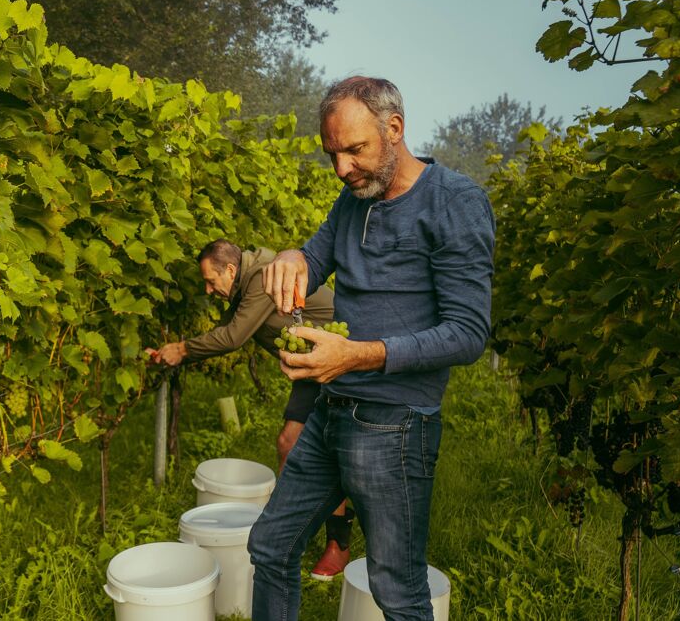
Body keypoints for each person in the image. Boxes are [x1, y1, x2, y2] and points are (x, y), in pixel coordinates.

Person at [249, 76, 495, 621]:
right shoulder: (352, 199)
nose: (342, 169)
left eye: (354, 151)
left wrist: (356, 355)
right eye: (332, 154)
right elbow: (312, 260)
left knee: (398, 591)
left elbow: (469, 332)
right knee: (270, 547)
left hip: (396, 425)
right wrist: (290, 256)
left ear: (394, 128)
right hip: (331, 409)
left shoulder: (454, 203)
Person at [146, 239, 355, 580]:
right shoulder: (244, 285)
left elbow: (232, 337)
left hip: (339, 355)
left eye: (211, 281)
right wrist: (171, 350)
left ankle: (338, 544)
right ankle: (291, 532)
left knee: (338, 453)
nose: (208, 290)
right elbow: (224, 330)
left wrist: (182, 350)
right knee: (289, 444)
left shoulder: (261, 278)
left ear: (230, 269)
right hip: (311, 365)